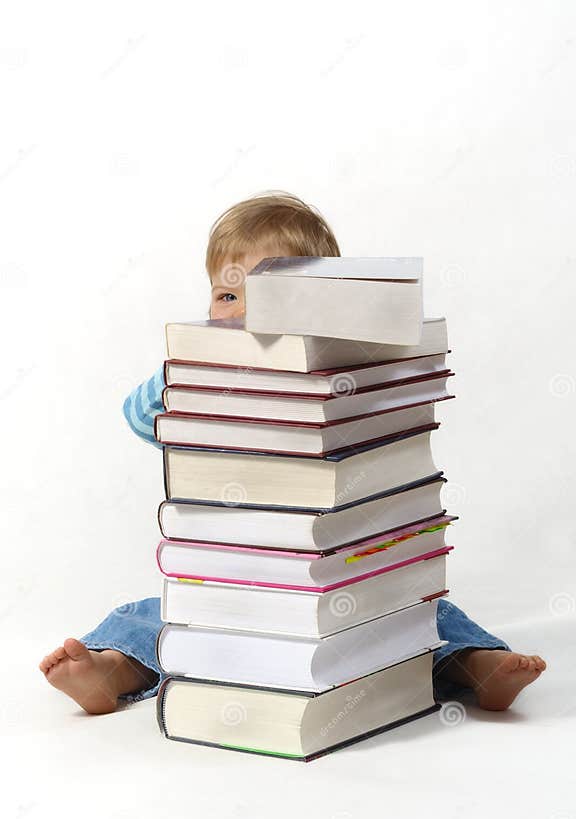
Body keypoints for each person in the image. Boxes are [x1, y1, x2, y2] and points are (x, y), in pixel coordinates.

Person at [39, 191, 546, 715]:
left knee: (425, 615)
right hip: (239, 574)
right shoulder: (202, 380)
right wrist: (181, 372)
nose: (242, 315)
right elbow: (139, 419)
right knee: (151, 617)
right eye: (227, 297)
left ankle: (478, 666)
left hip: (337, 572)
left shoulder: (338, 376)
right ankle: (111, 669)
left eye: (270, 298)